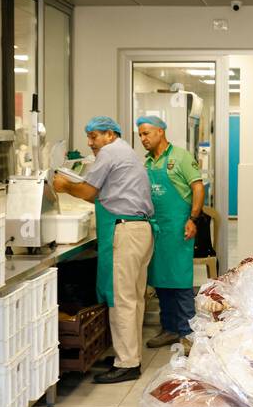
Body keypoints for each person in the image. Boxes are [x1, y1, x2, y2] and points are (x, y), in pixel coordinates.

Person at [52, 117, 154, 384]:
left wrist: (64, 187)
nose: (90, 142)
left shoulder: (110, 152)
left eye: (94, 136)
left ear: (110, 134)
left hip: (127, 231)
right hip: (140, 230)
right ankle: (129, 354)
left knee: (123, 300)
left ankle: (128, 363)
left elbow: (88, 192)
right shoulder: (126, 152)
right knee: (134, 298)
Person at [136, 114, 205, 348]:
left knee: (180, 280)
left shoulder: (181, 157)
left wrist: (193, 218)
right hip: (156, 229)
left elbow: (197, 187)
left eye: (146, 133)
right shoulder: (146, 163)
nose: (143, 139)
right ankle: (169, 329)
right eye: (140, 135)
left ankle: (187, 333)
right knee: (160, 280)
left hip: (178, 227)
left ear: (160, 132)